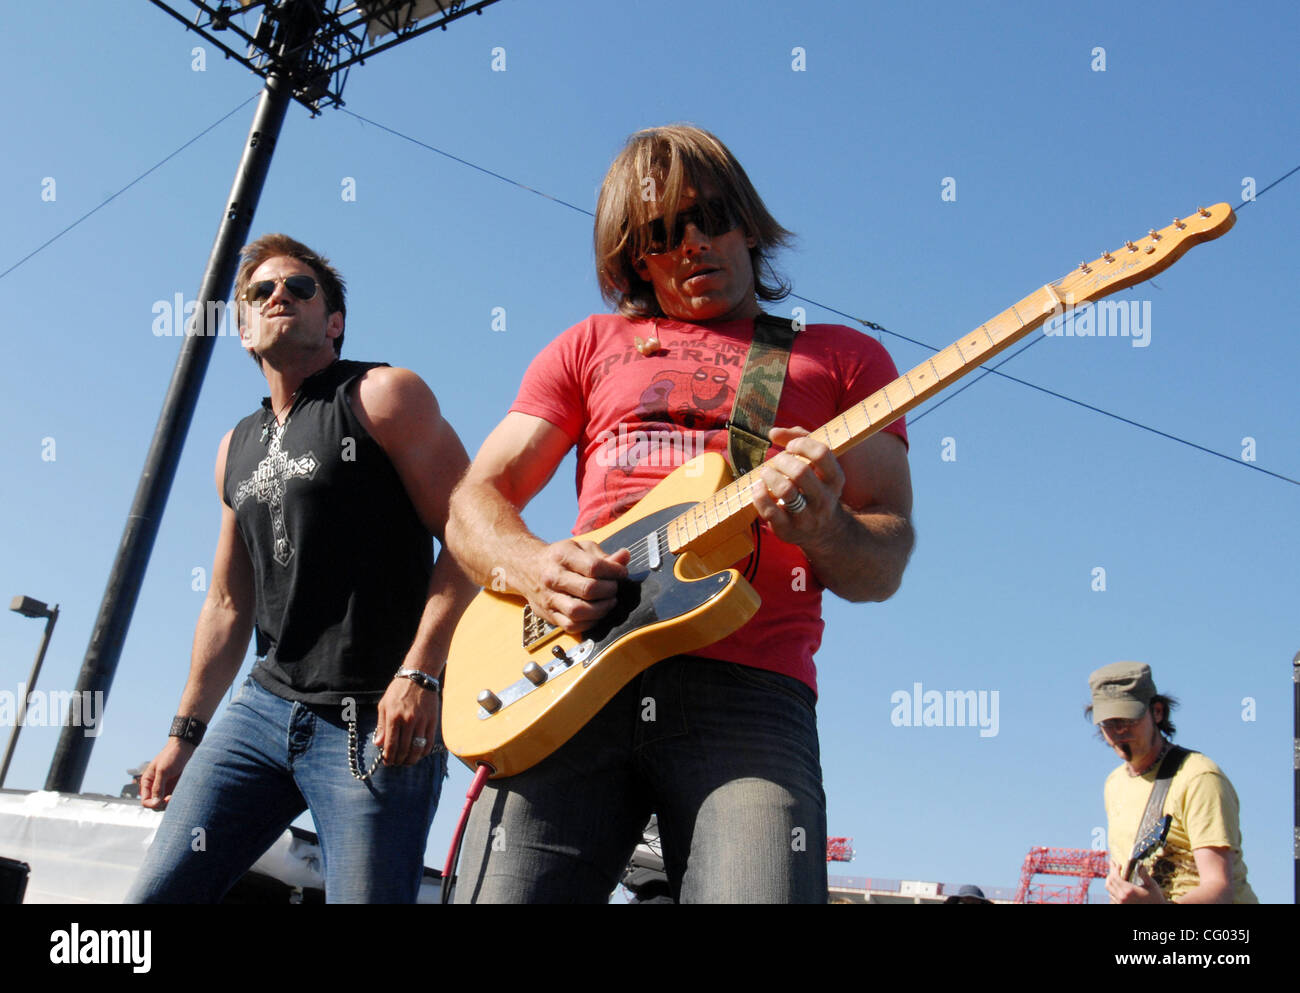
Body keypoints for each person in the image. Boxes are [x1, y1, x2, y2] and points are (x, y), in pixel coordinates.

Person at [445, 125, 914, 903]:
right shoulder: (589, 345)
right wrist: (531, 566)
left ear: (749, 221)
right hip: (568, 674)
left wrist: (826, 525)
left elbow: (885, 559)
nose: (693, 243)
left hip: (751, 690)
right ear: (633, 256)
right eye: (661, 233)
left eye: (713, 215)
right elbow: (474, 501)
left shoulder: (842, 357)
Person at [127, 233, 475, 903]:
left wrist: (421, 673)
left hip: (377, 718)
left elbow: (469, 536)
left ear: (334, 321)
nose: (279, 295)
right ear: (244, 330)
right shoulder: (235, 445)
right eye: (260, 292)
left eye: (300, 287)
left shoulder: (382, 394)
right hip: (263, 707)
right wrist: (184, 733)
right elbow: (229, 602)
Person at [1087, 661, 1257, 904]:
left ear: (1157, 712)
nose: (1120, 731)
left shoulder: (1199, 778)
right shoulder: (1114, 784)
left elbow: (1219, 888)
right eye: (1109, 723)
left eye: (1128, 719)